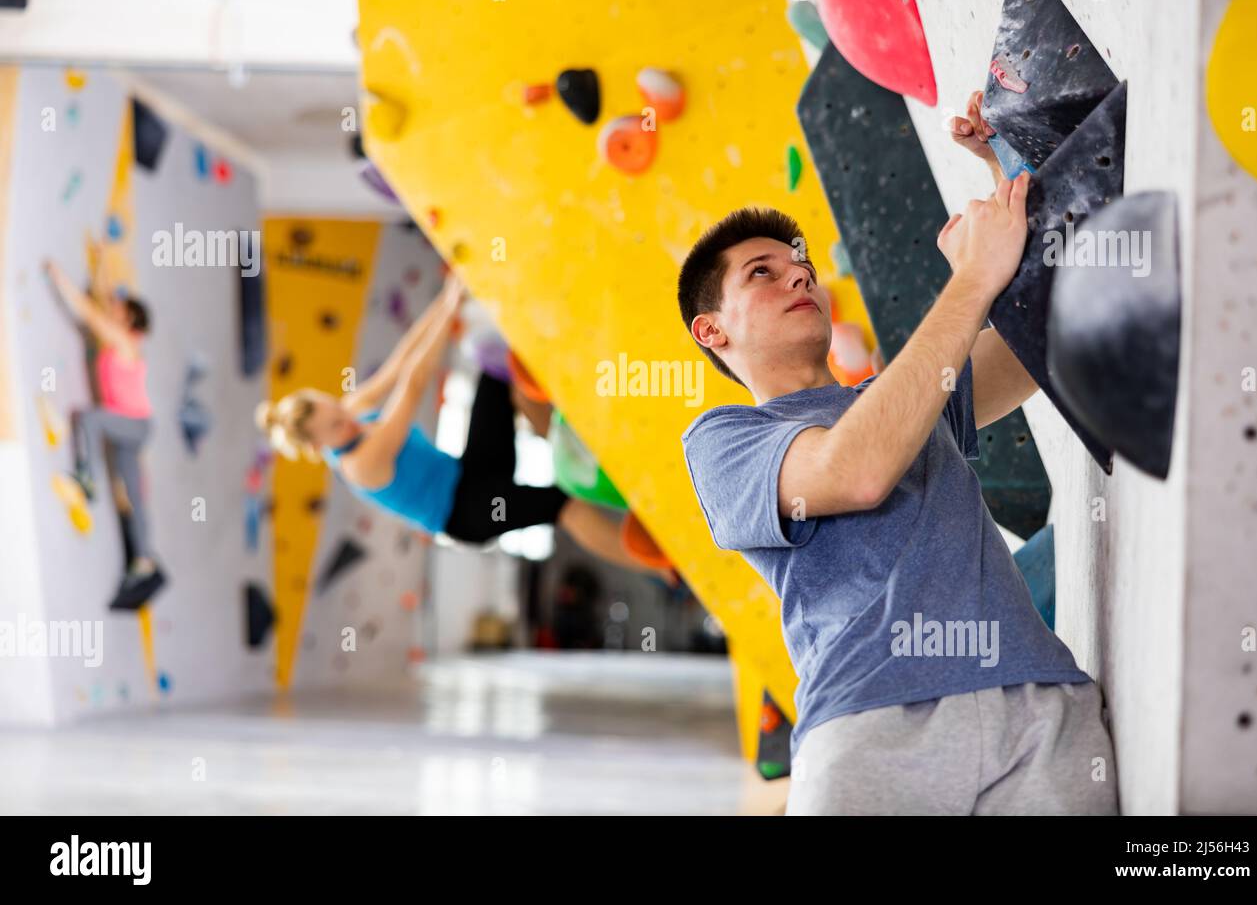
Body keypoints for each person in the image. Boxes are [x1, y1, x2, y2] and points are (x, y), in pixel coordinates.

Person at [675, 92, 1118, 815]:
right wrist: (972, 279)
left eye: (800, 266)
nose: (799, 275)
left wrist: (1006, 164)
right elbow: (856, 472)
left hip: (1037, 709)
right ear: (711, 331)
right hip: (870, 732)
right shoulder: (725, 444)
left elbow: (1055, 329)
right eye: (761, 272)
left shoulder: (916, 393)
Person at [256, 275, 659, 574]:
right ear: (317, 447)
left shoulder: (353, 409)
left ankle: (575, 442)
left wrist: (445, 298)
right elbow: (411, 386)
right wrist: (450, 310)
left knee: (496, 373)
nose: (345, 419)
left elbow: (400, 361)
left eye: (336, 410)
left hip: (470, 469)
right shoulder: (359, 466)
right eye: (334, 426)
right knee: (561, 505)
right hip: (466, 513)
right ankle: (660, 566)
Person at [44, 257, 166, 609]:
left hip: (133, 423)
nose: (113, 306)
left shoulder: (122, 340)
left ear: (127, 319)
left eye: (119, 306)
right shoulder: (123, 339)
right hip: (133, 426)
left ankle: (86, 477)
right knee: (135, 497)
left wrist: (58, 276)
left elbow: (88, 309)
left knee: (90, 419)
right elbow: (103, 298)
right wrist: (100, 262)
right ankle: (144, 559)